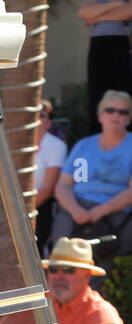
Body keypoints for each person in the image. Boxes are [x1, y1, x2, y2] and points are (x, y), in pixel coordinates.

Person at [50, 89, 132, 262]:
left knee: (103, 254)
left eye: (123, 111)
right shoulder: (84, 145)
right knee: (60, 253)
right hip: (77, 207)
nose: (116, 115)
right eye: (110, 110)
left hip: (115, 211)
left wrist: (100, 211)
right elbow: (64, 185)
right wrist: (75, 209)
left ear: (129, 118)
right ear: (100, 115)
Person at [80, 2, 132, 129]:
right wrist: (118, 3)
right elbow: (84, 13)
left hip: (122, 43)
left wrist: (96, 17)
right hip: (98, 45)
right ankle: (98, 137)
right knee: (97, 95)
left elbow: (129, 11)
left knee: (125, 93)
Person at [35, 99, 67, 246]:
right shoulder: (11, 141)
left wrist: (18, 213)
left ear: (49, 123)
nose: (36, 117)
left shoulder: (57, 146)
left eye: (41, 115)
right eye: (32, 113)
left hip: (40, 207)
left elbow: (47, 190)